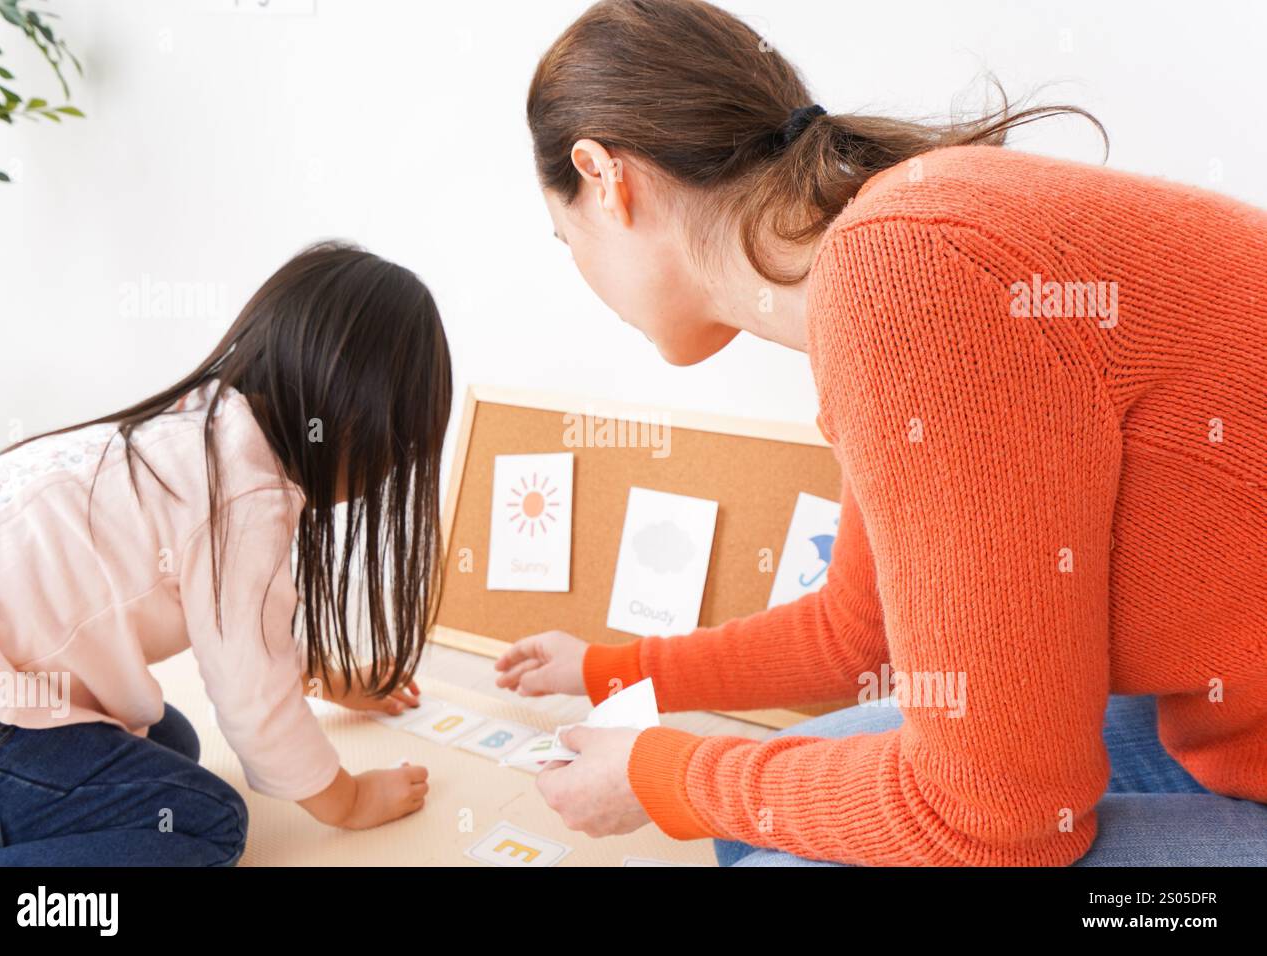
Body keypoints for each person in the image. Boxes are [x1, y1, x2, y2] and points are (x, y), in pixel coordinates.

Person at [495, 0, 1267, 866]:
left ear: (605, 178)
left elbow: (995, 820)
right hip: (1221, 724)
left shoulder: (912, 276)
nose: (579, 269)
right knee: (742, 835)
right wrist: (613, 671)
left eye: (564, 240)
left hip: (1233, 748)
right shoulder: (897, 245)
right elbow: (857, 634)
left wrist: (663, 777)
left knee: (763, 850)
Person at [0, 242, 447, 865]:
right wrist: (348, 800)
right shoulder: (245, 497)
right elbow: (256, 709)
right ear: (358, 426)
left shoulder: (204, 425)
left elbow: (239, 639)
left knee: (172, 740)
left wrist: (321, 676)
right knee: (205, 823)